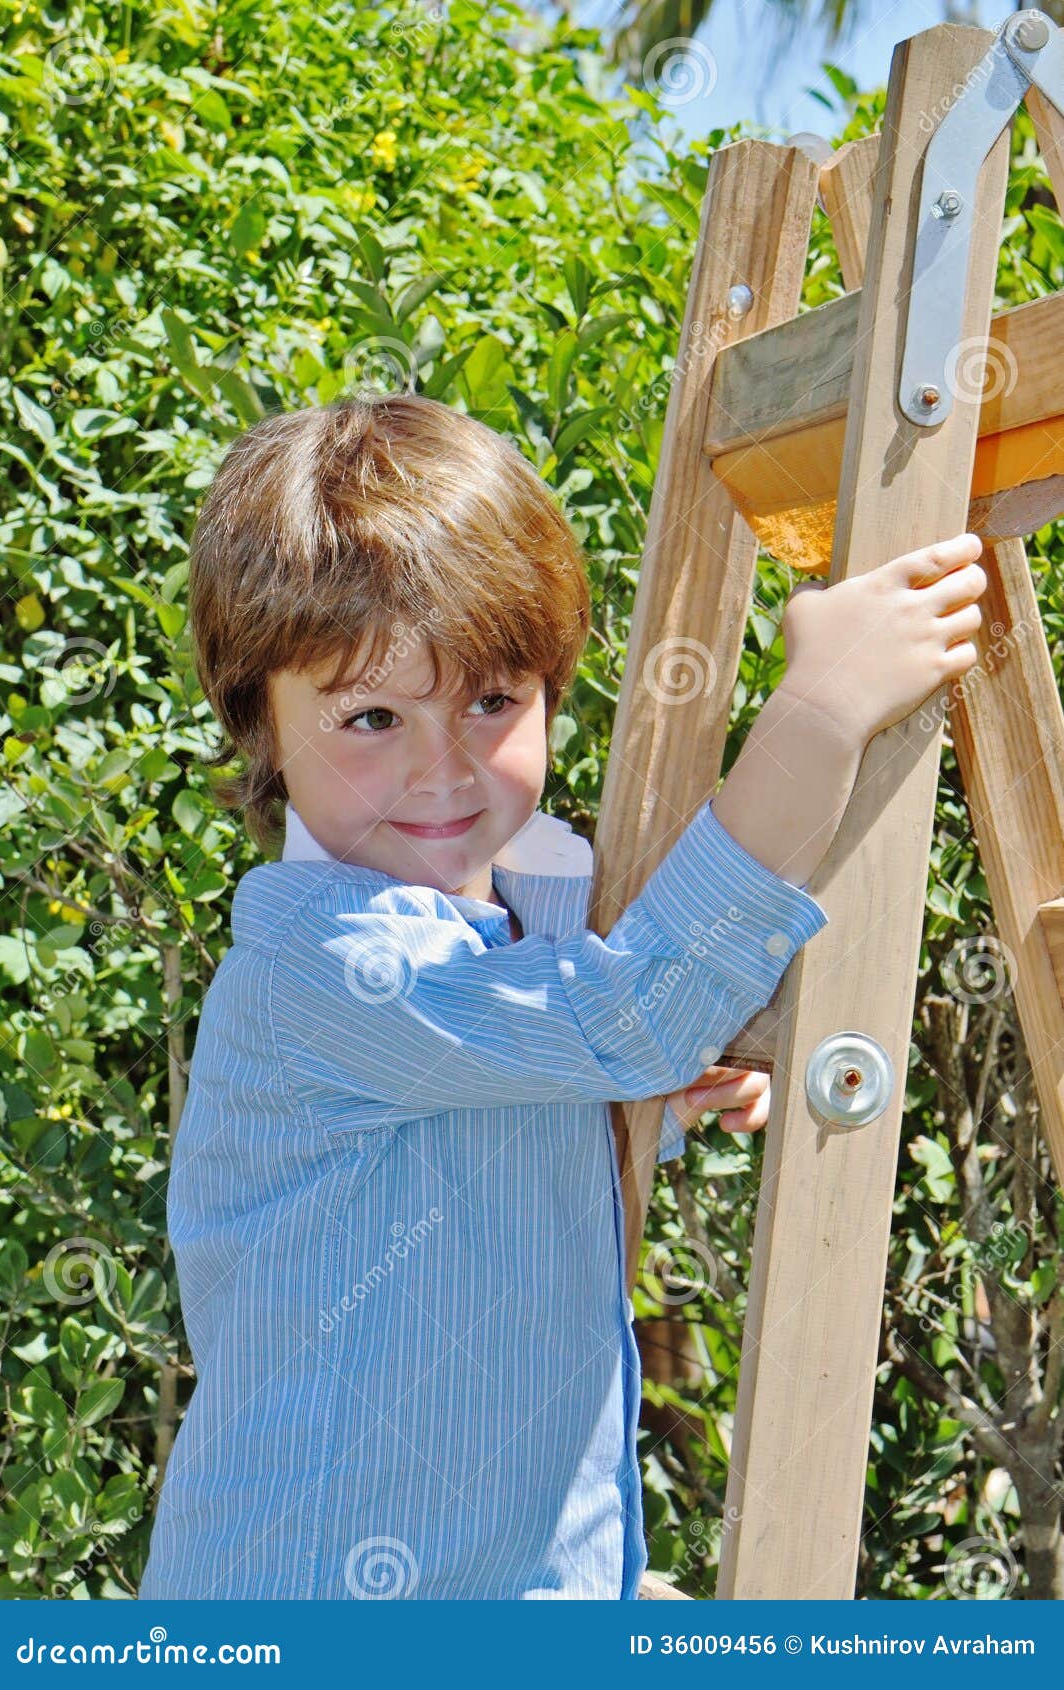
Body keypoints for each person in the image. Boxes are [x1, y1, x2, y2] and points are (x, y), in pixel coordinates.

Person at [137, 392, 986, 1600]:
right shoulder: (319, 961)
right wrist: (819, 713)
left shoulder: (509, 922)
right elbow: (625, 1016)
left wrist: (644, 1103)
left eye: (490, 701)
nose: (441, 768)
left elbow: (472, 1142)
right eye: (371, 717)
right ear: (259, 727)